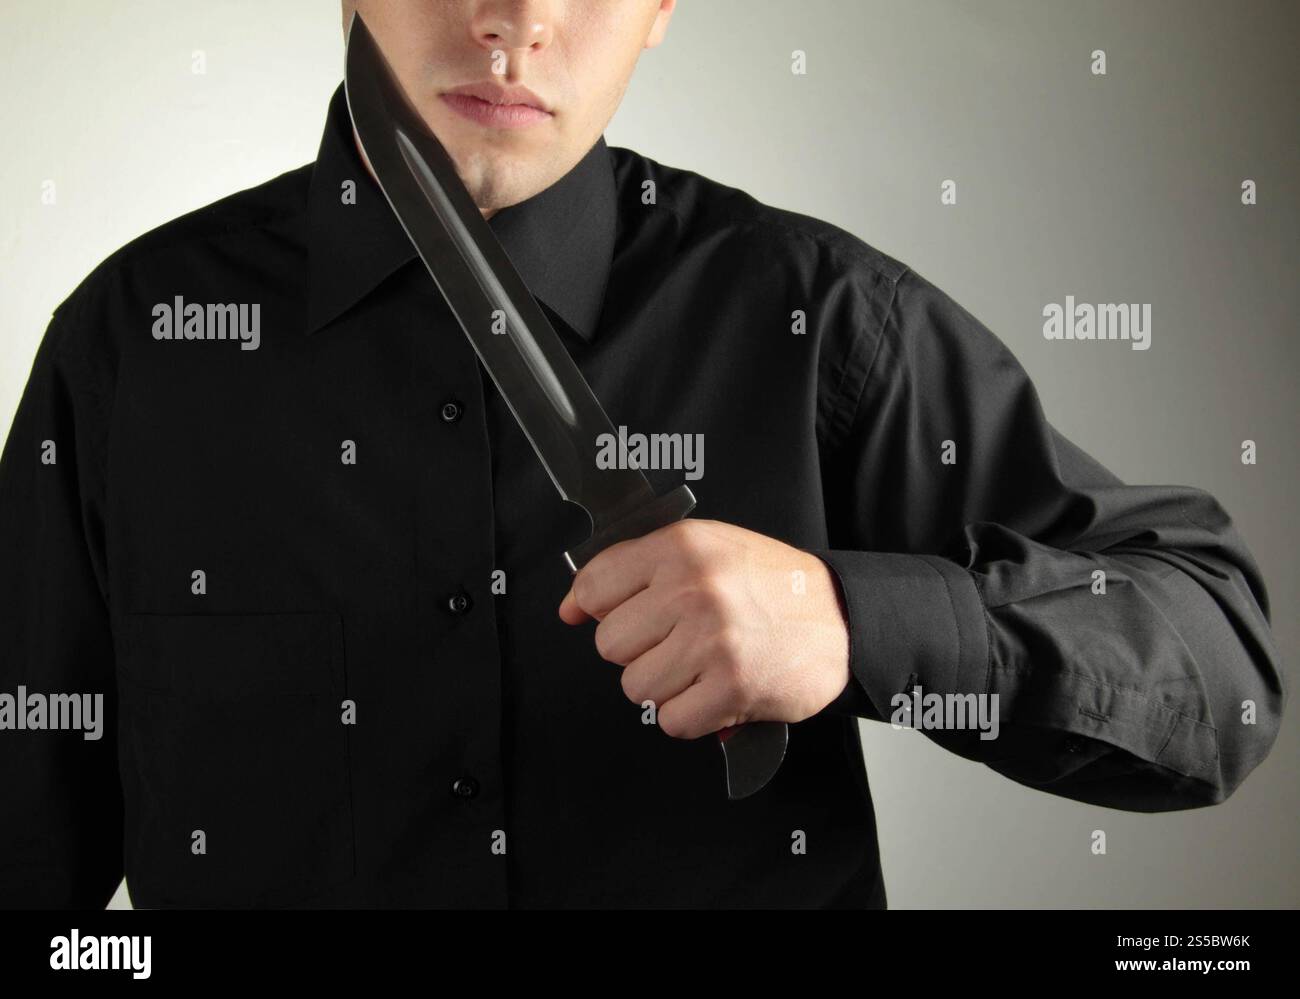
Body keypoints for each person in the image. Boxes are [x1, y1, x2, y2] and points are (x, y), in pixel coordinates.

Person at [0, 0, 1283, 909]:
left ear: (663, 2)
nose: (516, 16)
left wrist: (854, 623)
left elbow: (1220, 666)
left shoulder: (818, 319)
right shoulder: (134, 344)